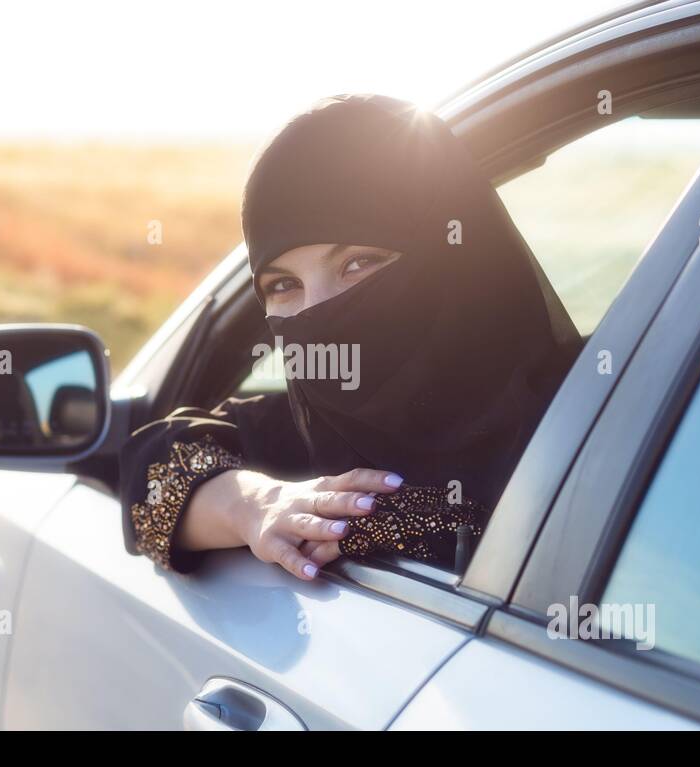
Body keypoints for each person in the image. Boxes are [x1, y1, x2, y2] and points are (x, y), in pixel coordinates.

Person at [120, 93, 580, 580]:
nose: (317, 313)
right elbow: (151, 477)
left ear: (454, 256)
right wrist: (257, 504)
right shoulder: (311, 429)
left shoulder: (596, 411)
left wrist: (406, 522)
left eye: (357, 263)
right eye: (283, 285)